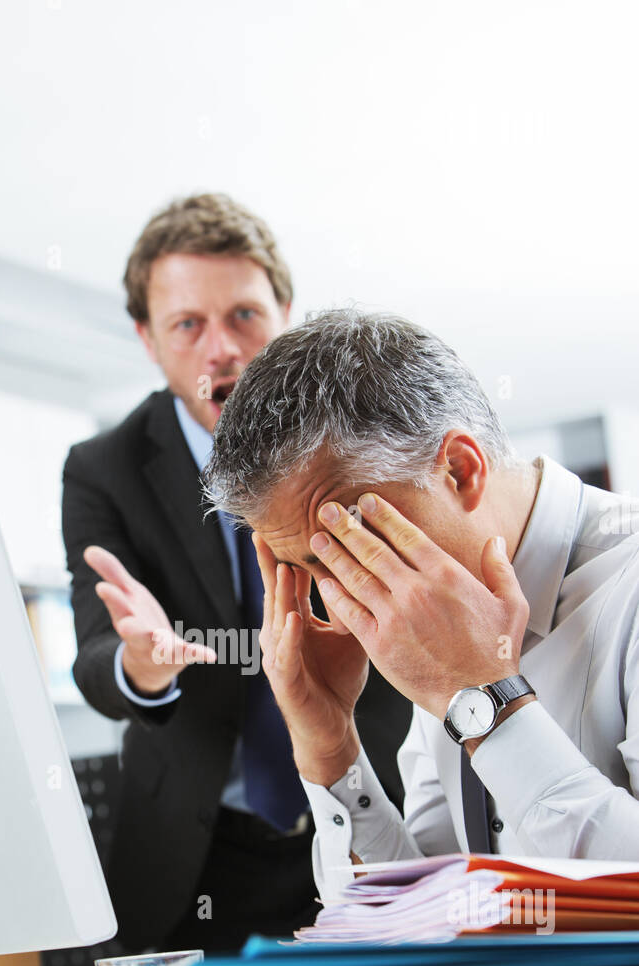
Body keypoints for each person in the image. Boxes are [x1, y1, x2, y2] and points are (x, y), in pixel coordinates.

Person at [62, 198, 412, 951]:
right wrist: (140, 663)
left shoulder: (368, 438)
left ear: (285, 313)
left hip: (373, 817)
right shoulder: (105, 469)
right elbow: (94, 661)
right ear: (148, 340)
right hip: (194, 855)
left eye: (245, 316)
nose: (220, 348)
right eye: (187, 324)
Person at [203, 307, 639, 901]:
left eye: (358, 544)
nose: (352, 594)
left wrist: (485, 696)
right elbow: (423, 917)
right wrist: (329, 747)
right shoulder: (432, 620)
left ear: (460, 470)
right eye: (314, 569)